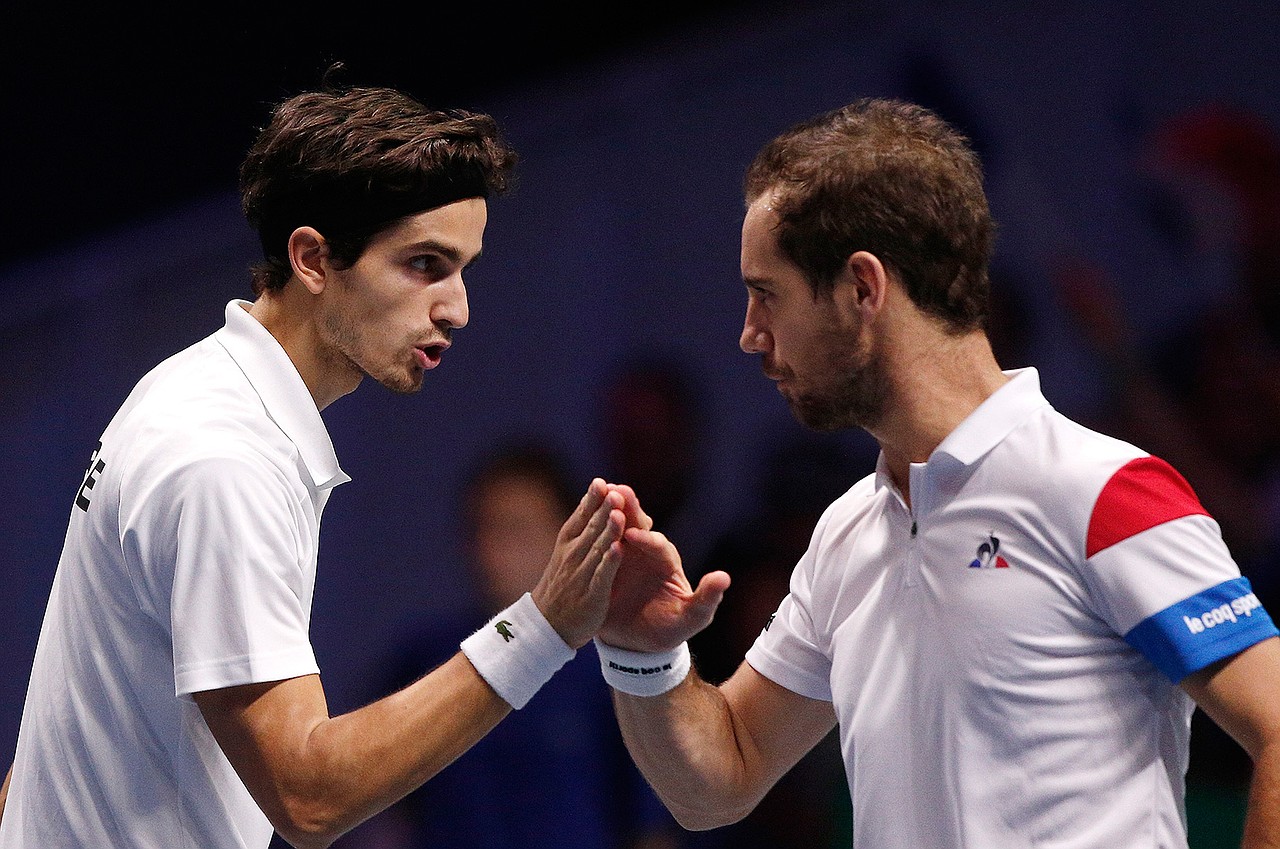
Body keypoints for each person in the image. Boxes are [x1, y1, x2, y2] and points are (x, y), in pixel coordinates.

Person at [590, 98, 1280, 848]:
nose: (749, 333)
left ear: (863, 288)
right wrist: (642, 652)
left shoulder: (1102, 490)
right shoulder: (844, 534)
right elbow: (719, 780)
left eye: (767, 294)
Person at [0, 77, 634, 849]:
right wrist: (541, 628)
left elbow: (59, 733)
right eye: (425, 264)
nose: (458, 307)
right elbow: (309, 799)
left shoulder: (188, 390)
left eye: (464, 267)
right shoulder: (223, 458)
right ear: (313, 258)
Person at [342, 440, 679, 849]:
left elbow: (650, 828)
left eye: (515, 529)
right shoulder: (425, 655)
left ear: (567, 537)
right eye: (481, 527)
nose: (492, 551)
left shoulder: (611, 668)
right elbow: (364, 805)